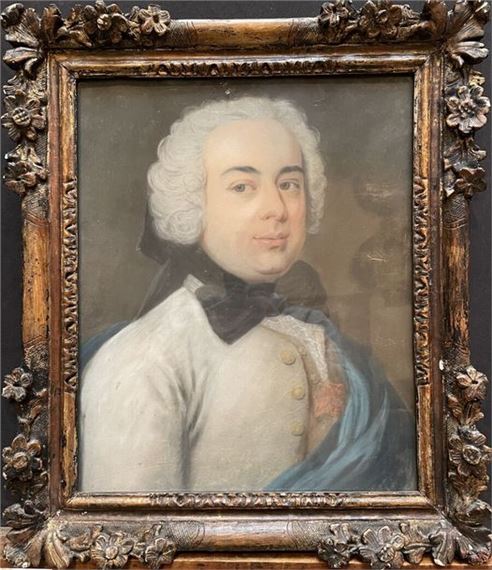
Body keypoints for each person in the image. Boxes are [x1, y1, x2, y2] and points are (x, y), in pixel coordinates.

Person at [79, 97, 416, 492]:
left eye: (289, 185)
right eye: (242, 187)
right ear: (191, 203)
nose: (277, 209)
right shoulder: (143, 361)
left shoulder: (318, 335)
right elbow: (129, 526)